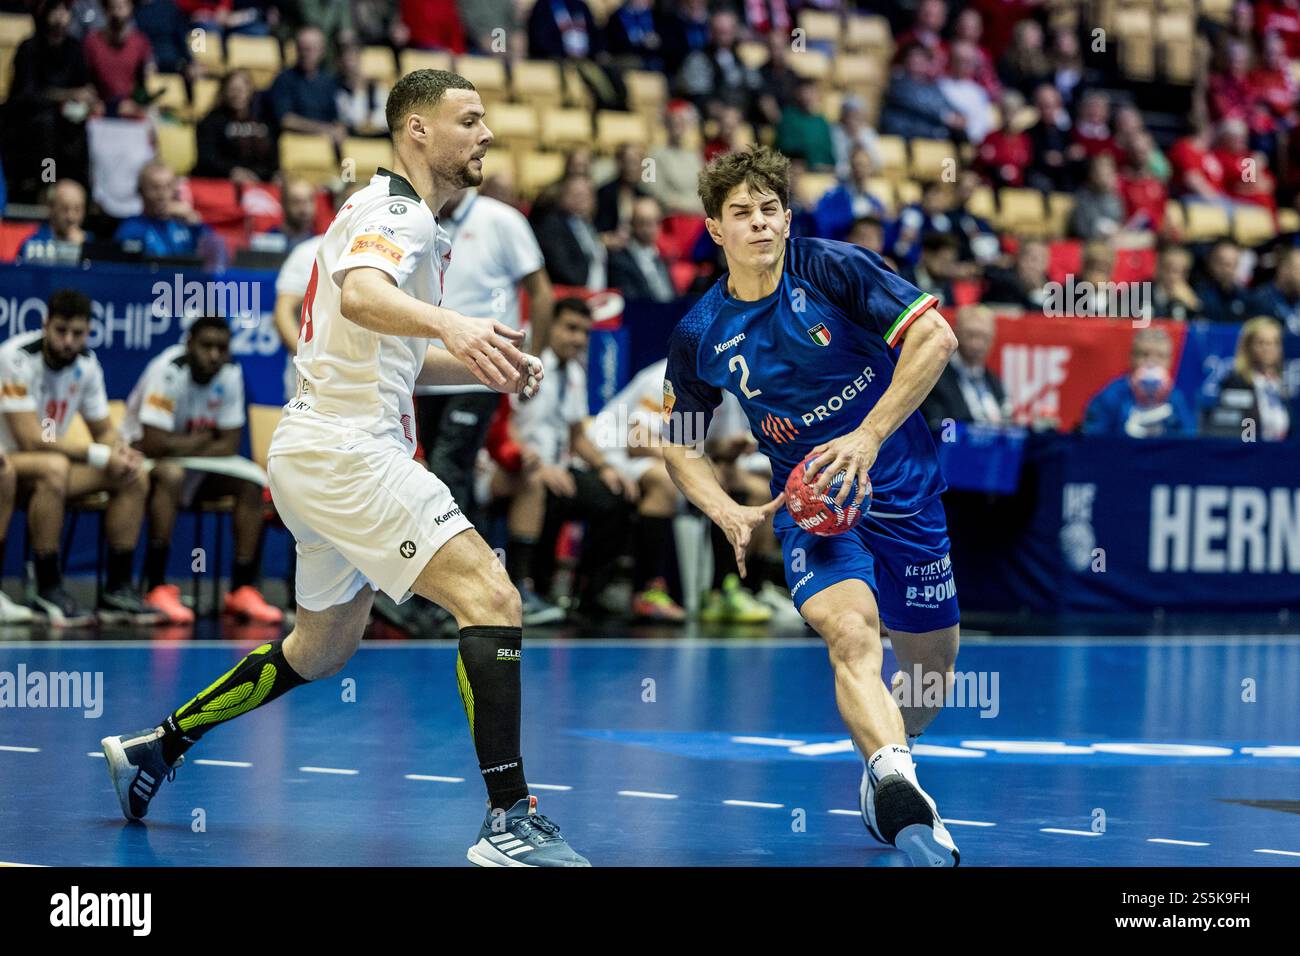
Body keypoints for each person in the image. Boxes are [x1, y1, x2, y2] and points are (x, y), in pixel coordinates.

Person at [99, 68, 588, 868]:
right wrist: (456, 324)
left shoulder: (393, 214)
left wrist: (481, 362)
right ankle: (508, 818)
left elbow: (388, 349)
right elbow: (362, 297)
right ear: (417, 130)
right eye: (469, 119)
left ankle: (157, 746)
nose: (487, 135)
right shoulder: (396, 210)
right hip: (347, 450)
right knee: (492, 596)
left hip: (319, 452)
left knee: (320, 649)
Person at [661, 146, 961, 866]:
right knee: (851, 637)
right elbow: (677, 442)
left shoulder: (834, 268)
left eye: (770, 210)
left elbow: (936, 336)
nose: (760, 224)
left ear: (787, 218)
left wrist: (867, 435)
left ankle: (893, 750)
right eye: (742, 213)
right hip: (816, 507)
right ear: (715, 229)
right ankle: (897, 789)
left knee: (928, 674)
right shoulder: (701, 332)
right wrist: (727, 510)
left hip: (905, 492)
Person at [0, 289, 155, 626]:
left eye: (78, 333)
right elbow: (30, 437)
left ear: (88, 332)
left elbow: (103, 429)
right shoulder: (15, 357)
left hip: (47, 470)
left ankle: (117, 590)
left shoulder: (87, 365)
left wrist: (120, 450)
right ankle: (47, 586)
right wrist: (98, 454)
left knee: (134, 474)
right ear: (45, 325)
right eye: (61, 331)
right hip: (9, 461)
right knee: (54, 467)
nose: (68, 341)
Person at [120, 316, 282, 626]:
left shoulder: (231, 373)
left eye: (221, 348)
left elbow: (230, 443)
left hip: (199, 468)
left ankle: (242, 589)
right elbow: (153, 443)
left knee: (251, 482)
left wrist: (180, 443)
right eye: (206, 346)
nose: (214, 355)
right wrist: (205, 440)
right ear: (190, 343)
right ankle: (155, 587)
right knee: (171, 475)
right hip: (143, 467)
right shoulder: (167, 370)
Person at [496, 298, 634, 624]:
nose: (578, 339)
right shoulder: (524, 361)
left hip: (559, 466)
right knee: (549, 492)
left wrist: (605, 467)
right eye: (570, 329)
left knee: (614, 497)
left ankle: (586, 593)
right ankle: (536, 590)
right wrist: (542, 467)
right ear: (551, 325)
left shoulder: (574, 371)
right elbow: (503, 423)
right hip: (519, 465)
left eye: (585, 333)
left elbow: (576, 434)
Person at [585, 358, 686, 621]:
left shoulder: (727, 387)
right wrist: (690, 464)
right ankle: (650, 589)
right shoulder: (665, 378)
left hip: (653, 458)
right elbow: (637, 440)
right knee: (665, 480)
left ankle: (727, 590)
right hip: (611, 452)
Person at [1082, 327, 1197, 437]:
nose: (1151, 362)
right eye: (1144, 354)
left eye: (1160, 356)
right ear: (1130, 358)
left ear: (1170, 361)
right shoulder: (1110, 397)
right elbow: (1094, 442)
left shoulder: (1177, 399)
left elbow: (1189, 443)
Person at [1204, 316, 1293, 440]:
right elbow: (1238, 429)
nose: (1268, 348)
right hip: (1252, 454)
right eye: (1261, 343)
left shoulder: (1286, 383)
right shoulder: (1236, 381)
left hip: (1286, 454)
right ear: (1248, 346)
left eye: (1274, 343)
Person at [921, 305, 1008, 428]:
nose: (977, 345)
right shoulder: (936, 377)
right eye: (971, 335)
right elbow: (939, 429)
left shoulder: (994, 381)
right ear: (956, 334)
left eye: (984, 337)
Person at [113, 162, 212, 258]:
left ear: (176, 190)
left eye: (168, 186)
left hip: (180, 275)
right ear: (141, 191)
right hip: (150, 275)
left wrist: (196, 222)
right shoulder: (131, 227)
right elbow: (124, 267)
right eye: (155, 188)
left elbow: (216, 257)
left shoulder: (187, 224)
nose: (162, 194)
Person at [607, 196, 676, 302]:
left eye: (656, 221)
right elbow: (632, 302)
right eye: (645, 222)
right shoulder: (619, 260)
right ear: (633, 224)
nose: (652, 228)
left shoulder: (660, 256)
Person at [19, 180, 94, 262]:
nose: (71, 217)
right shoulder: (33, 245)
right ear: (51, 208)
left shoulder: (92, 244)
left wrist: (83, 248)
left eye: (77, 209)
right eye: (64, 209)